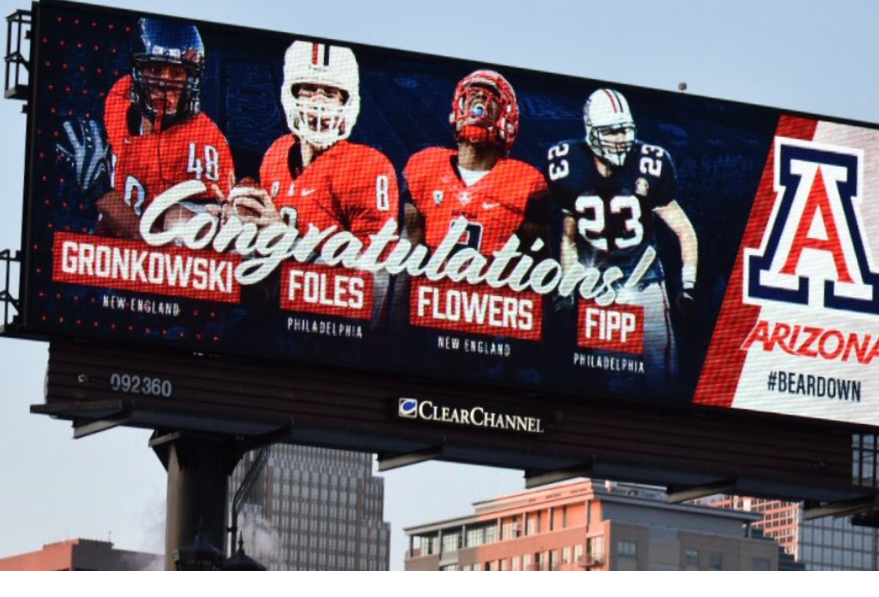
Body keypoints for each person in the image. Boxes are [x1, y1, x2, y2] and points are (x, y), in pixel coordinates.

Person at [544, 88, 699, 395]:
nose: (621, 138)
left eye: (625, 130)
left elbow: (685, 231)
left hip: (645, 283)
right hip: (598, 288)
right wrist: (567, 285)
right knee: (618, 382)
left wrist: (688, 285)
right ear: (592, 133)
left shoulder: (649, 164)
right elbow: (568, 235)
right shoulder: (568, 165)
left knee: (663, 379)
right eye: (612, 132)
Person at [231, 41, 398, 246]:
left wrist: (288, 240)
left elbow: (374, 268)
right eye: (309, 90)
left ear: (347, 102)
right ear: (290, 95)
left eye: (330, 93)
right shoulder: (277, 152)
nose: (318, 103)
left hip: (322, 278)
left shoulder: (368, 167)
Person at [91, 18, 235, 239]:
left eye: (177, 73)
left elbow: (169, 251)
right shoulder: (120, 97)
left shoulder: (204, 142)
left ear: (192, 78)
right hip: (107, 254)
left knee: (177, 220)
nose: (165, 83)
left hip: (161, 266)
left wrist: (102, 194)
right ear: (138, 69)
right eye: (155, 69)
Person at [402, 69, 548, 256]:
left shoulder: (526, 183)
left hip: (492, 284)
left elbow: (538, 266)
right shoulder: (424, 167)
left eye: (492, 95)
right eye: (472, 93)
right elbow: (407, 252)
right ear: (457, 109)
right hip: (429, 284)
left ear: (506, 117)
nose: (479, 97)